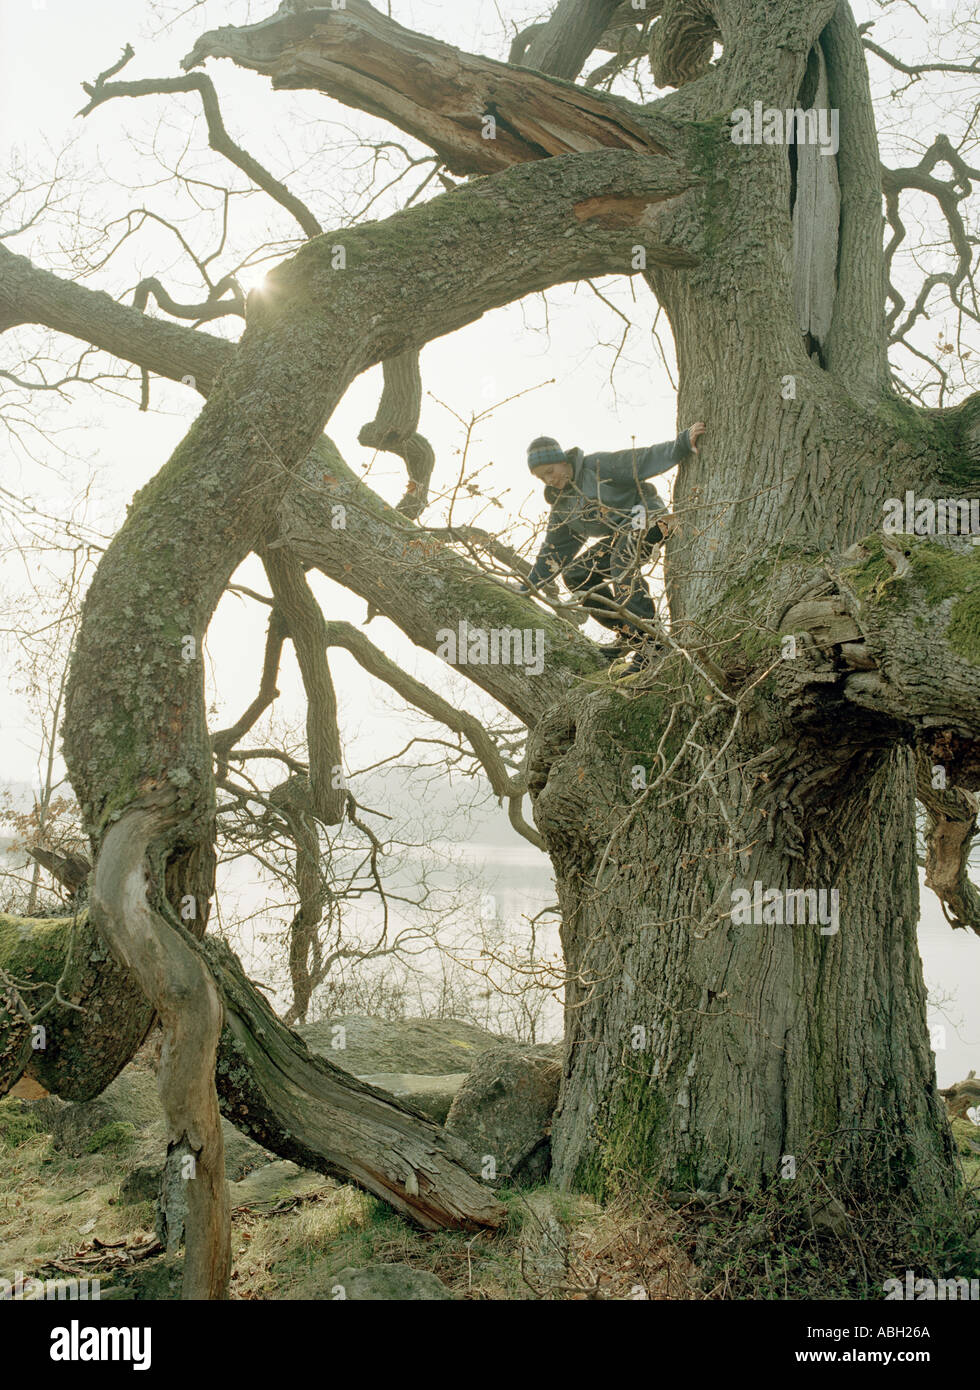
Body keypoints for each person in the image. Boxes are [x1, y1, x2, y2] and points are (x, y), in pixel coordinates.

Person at [518, 422, 706, 663]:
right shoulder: (564, 507)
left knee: (622, 555)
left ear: (563, 460)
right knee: (576, 575)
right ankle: (633, 636)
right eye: (541, 477)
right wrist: (528, 586)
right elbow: (552, 554)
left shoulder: (596, 466)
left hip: (652, 519)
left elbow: (642, 459)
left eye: (550, 471)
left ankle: (654, 644)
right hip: (622, 537)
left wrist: (680, 444)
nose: (548, 480)